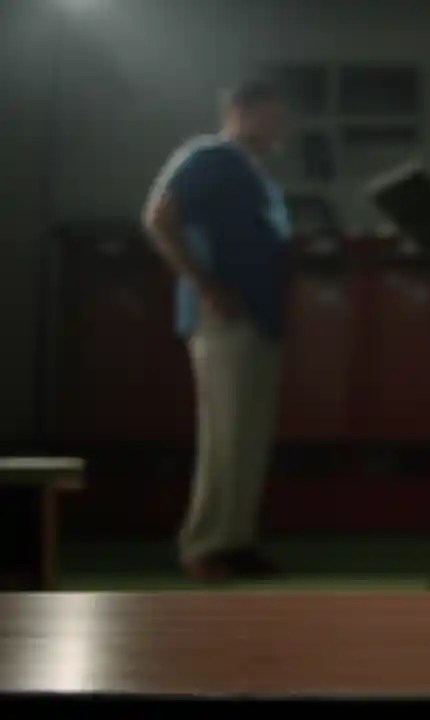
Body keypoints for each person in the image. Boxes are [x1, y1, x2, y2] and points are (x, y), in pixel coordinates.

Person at [141, 78, 293, 583]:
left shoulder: (255, 174)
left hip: (259, 317)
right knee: (224, 433)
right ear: (240, 111)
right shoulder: (209, 157)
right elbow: (161, 219)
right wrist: (205, 285)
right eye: (272, 115)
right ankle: (203, 545)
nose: (279, 126)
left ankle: (236, 540)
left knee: (248, 435)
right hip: (224, 313)